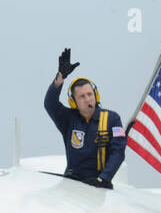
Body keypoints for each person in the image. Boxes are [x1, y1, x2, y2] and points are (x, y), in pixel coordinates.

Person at [44, 48, 127, 188]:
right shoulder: (68, 119)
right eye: (82, 96)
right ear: (73, 101)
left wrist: (103, 179)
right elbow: (50, 104)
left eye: (89, 94)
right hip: (71, 184)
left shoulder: (112, 119)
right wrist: (59, 79)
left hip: (99, 186)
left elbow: (118, 152)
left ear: (96, 95)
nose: (87, 99)